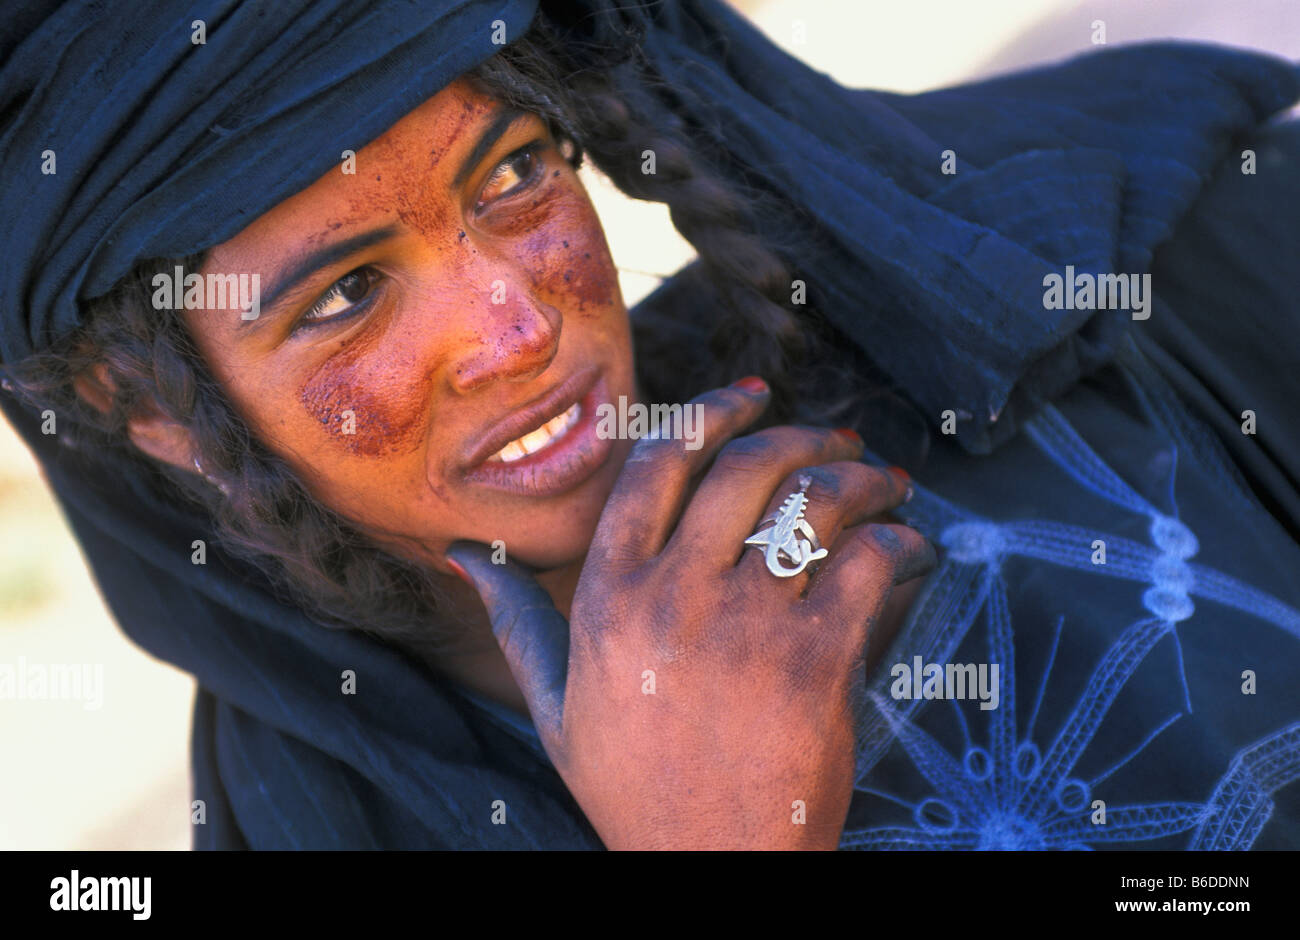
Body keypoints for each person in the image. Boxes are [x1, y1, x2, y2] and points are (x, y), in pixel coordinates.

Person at [2, 0, 1298, 850]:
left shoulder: (1093, 295)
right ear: (150, 416)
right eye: (346, 296)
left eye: (512, 175)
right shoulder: (316, 828)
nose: (518, 327)